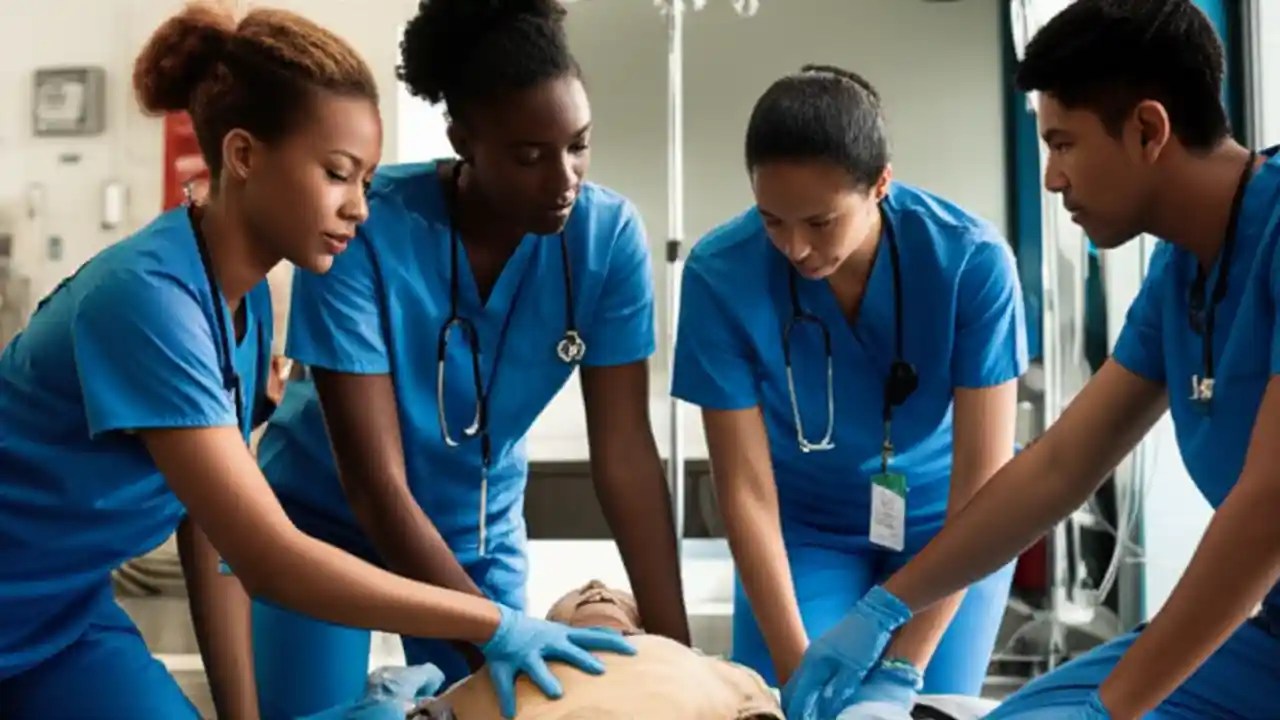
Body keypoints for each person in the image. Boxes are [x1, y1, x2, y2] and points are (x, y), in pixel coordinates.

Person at [0, 4, 632, 719]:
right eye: (338, 175)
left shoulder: (241, 301)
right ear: (243, 156)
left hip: (65, 621)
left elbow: (206, 522)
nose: (361, 208)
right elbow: (268, 557)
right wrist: (498, 624)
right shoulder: (147, 300)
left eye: (365, 179)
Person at [783, 2, 1280, 719]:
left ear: (1148, 130)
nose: (1050, 177)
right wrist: (887, 607)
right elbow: (1058, 466)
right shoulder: (1183, 272)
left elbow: (1267, 509)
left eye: (1063, 143)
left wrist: (1114, 707)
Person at [249, 0, 689, 717]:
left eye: (578, 145)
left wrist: (679, 655)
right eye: (529, 155)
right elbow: (374, 486)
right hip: (323, 530)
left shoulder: (605, 237)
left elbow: (627, 457)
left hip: (474, 536)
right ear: (463, 140)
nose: (564, 179)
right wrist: (489, 640)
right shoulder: (364, 229)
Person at [669, 62, 1029, 716]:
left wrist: (902, 670)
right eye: (773, 219)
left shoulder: (970, 262)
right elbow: (745, 489)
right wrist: (795, 673)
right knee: (798, 706)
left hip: (947, 523)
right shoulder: (721, 274)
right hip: (804, 526)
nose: (795, 249)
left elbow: (985, 484)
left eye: (820, 222)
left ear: (881, 185)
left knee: (927, 707)